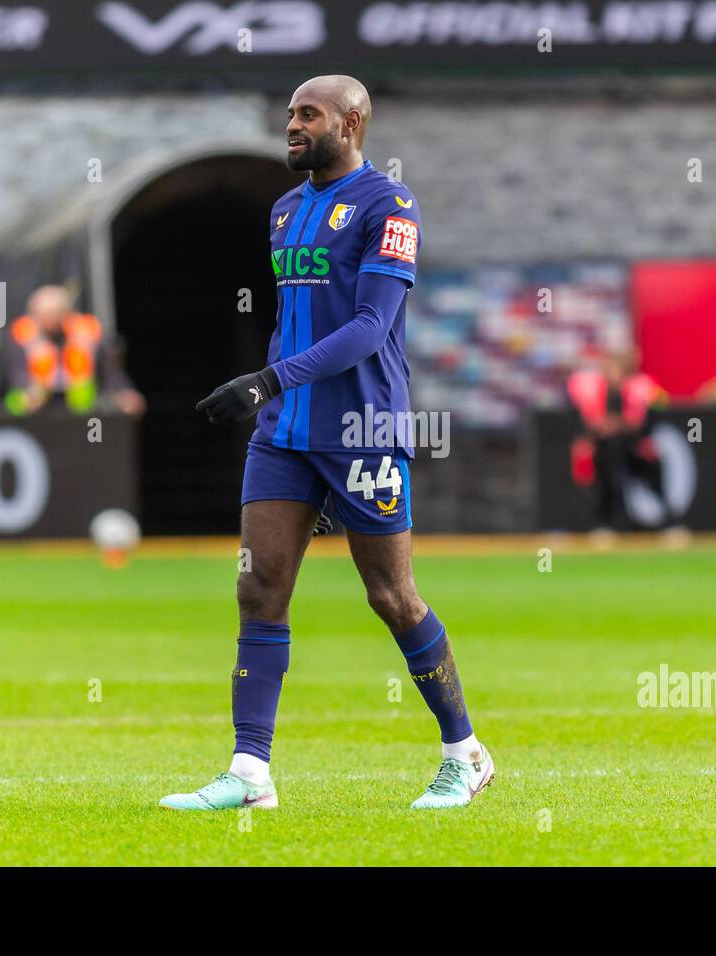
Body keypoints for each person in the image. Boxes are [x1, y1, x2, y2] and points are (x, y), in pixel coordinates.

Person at [160, 75, 492, 813]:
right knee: (258, 588)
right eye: (288, 115)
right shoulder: (282, 211)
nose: (292, 125)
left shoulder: (389, 205)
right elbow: (299, 319)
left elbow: (370, 328)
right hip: (286, 434)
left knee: (391, 597)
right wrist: (276, 394)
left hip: (363, 427)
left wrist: (268, 379)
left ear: (353, 121)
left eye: (308, 115)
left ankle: (464, 753)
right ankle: (250, 774)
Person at [567, 349, 672, 532]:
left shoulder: (641, 387)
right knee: (604, 471)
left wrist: (624, 426)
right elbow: (584, 422)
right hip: (606, 449)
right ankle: (605, 522)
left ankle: (669, 520)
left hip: (632, 446)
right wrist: (602, 429)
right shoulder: (594, 390)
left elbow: (656, 411)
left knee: (653, 468)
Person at [0, 285, 146, 417]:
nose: (50, 320)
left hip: (82, 414)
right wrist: (30, 396)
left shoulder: (87, 337)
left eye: (55, 314)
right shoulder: (21, 340)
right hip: (37, 413)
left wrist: (124, 392)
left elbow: (111, 373)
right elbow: (15, 380)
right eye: (44, 314)